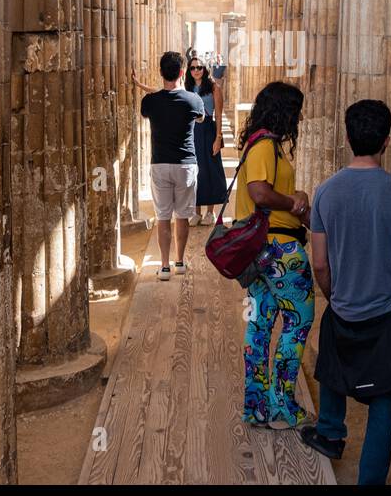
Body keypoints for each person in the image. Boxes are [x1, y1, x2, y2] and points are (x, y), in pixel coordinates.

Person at [300, 99, 391, 485]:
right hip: (386, 314)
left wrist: (334, 295)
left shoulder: (326, 192)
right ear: (386, 141)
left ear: (347, 138)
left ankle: (331, 432)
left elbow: (319, 262)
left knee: (332, 362)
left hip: (344, 305)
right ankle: (369, 480)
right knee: (384, 401)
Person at [235, 81, 313, 430]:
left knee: (260, 325)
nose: (297, 119)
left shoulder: (260, 143)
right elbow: (260, 194)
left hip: (260, 251)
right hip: (279, 247)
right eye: (295, 112)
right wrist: (294, 202)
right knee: (298, 321)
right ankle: (282, 403)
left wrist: (289, 194)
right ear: (284, 111)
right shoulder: (266, 145)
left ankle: (257, 406)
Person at [131, 52, 205, 281]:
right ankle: (180, 262)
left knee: (163, 217)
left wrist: (143, 86)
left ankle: (164, 266)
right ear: (182, 73)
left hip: (160, 163)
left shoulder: (150, 101)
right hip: (185, 164)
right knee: (182, 216)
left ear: (161, 72)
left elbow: (156, 100)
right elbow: (201, 118)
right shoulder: (194, 100)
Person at [184, 55, 226, 225]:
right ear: (189, 70)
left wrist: (218, 138)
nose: (196, 71)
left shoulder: (214, 87)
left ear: (205, 68)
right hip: (192, 131)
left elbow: (218, 114)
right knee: (194, 170)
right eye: (193, 68)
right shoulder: (187, 87)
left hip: (209, 130)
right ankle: (196, 212)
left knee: (210, 169)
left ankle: (210, 212)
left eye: (199, 67)